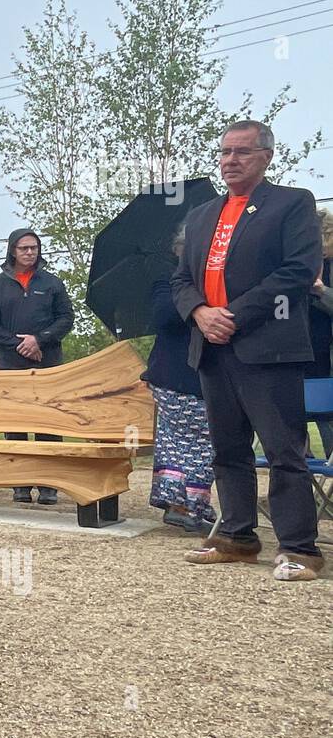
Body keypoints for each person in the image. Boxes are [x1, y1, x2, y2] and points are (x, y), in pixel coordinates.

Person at [170, 119, 325, 581]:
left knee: (284, 450)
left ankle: (299, 547)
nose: (230, 161)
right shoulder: (201, 215)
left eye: (242, 152)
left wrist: (233, 314)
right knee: (227, 449)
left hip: (267, 346)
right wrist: (200, 312)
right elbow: (179, 280)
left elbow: (297, 271)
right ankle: (237, 536)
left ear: (266, 156)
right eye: (224, 152)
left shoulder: (292, 204)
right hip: (212, 349)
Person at [0, 228, 74, 504]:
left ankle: (49, 486)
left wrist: (40, 340)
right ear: (12, 250)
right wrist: (15, 343)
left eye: (34, 247)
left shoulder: (53, 283)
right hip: (12, 364)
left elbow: (67, 318)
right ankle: (20, 484)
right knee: (16, 424)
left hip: (47, 364)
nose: (30, 252)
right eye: (24, 248)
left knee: (48, 424)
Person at [142, 227, 216, 533]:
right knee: (189, 439)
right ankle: (181, 504)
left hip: (206, 374)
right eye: (189, 248)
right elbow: (162, 316)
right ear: (178, 251)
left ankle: (195, 501)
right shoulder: (168, 281)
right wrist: (196, 300)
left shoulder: (216, 281)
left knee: (201, 440)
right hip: (173, 375)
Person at [305, 209, 333, 456]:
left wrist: (321, 290)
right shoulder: (299, 264)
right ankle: (302, 472)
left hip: (326, 359)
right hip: (301, 353)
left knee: (326, 417)